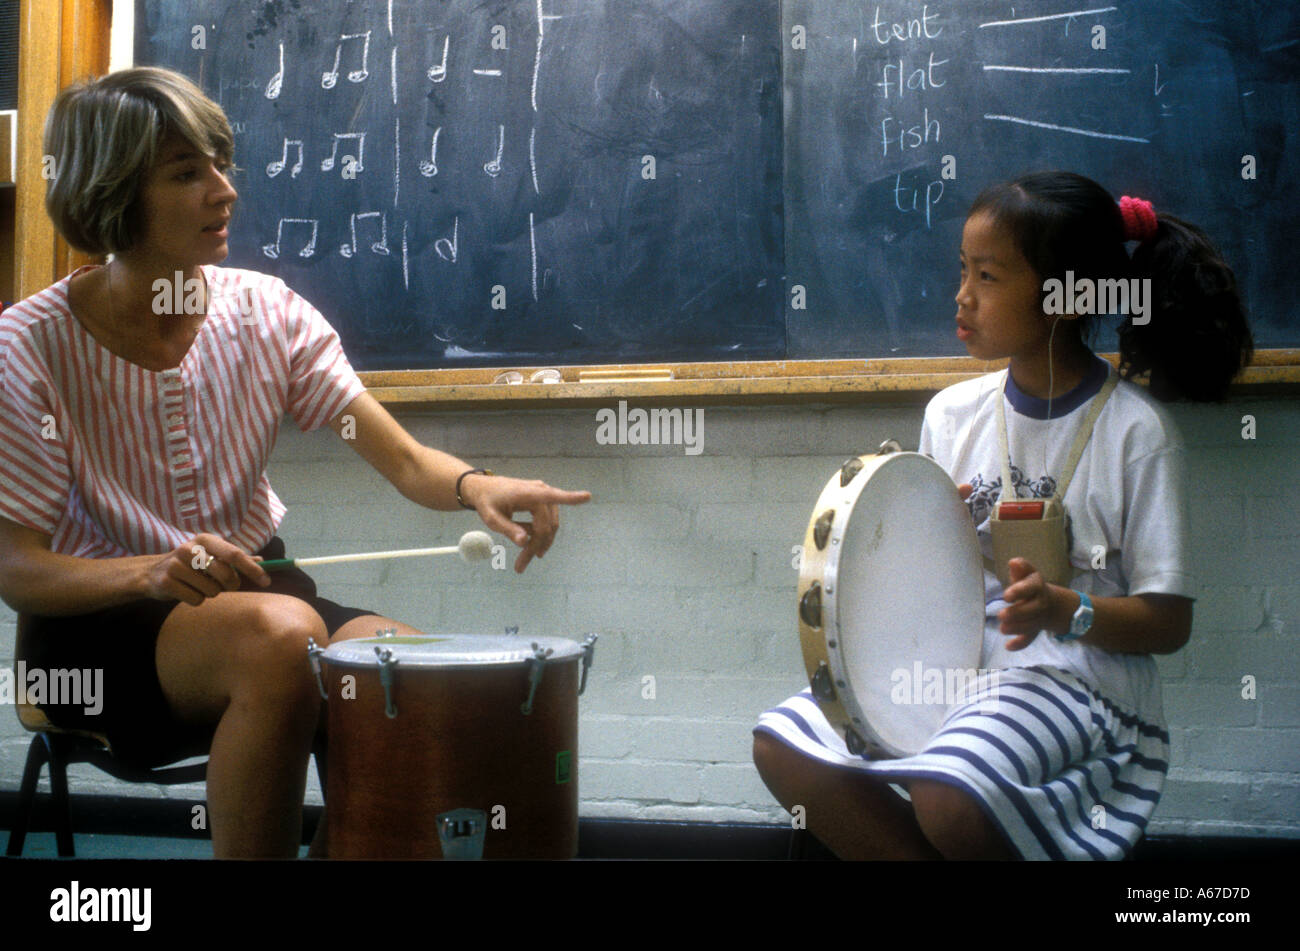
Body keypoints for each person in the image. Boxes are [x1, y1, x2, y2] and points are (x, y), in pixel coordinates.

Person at [0, 67, 590, 858]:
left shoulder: (265, 313)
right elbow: (15, 566)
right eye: (185, 173)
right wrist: (150, 571)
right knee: (282, 639)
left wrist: (480, 485)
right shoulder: (27, 347)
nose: (223, 191)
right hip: (95, 634)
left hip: (258, 598)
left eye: (219, 164)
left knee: (409, 682)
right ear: (112, 195)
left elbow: (408, 460)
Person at [753, 171, 1253, 860]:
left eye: (988, 276)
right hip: (960, 666)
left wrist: (1065, 610)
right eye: (963, 270)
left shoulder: (1138, 433)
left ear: (1065, 296)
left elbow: (1169, 622)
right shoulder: (951, 414)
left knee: (949, 790)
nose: (962, 295)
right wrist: (920, 542)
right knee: (784, 745)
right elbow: (926, 594)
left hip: (1081, 685)